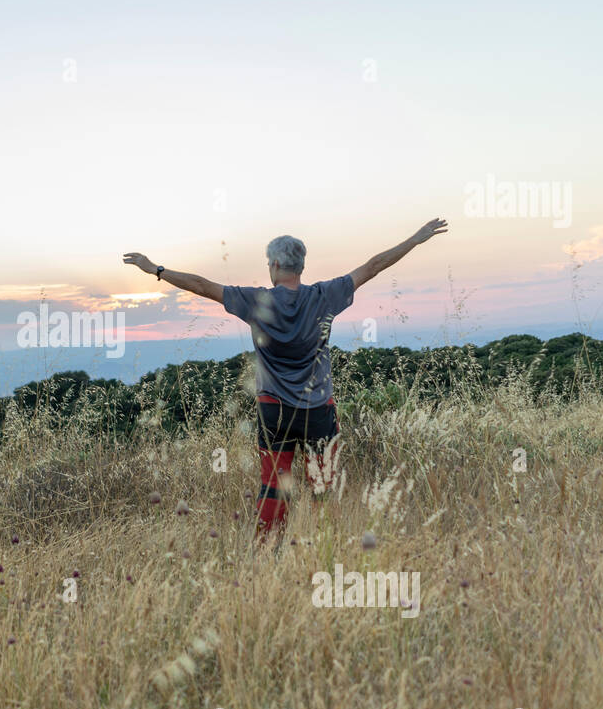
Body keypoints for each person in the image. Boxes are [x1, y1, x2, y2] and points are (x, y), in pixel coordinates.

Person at [123, 218, 448, 531]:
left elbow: (202, 286)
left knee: (273, 488)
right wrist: (414, 239)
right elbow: (372, 266)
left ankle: (268, 555)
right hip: (318, 410)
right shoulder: (325, 296)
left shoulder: (257, 301)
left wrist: (157, 270)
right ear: (301, 266)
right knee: (322, 487)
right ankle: (323, 550)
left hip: (273, 410)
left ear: (274, 266)